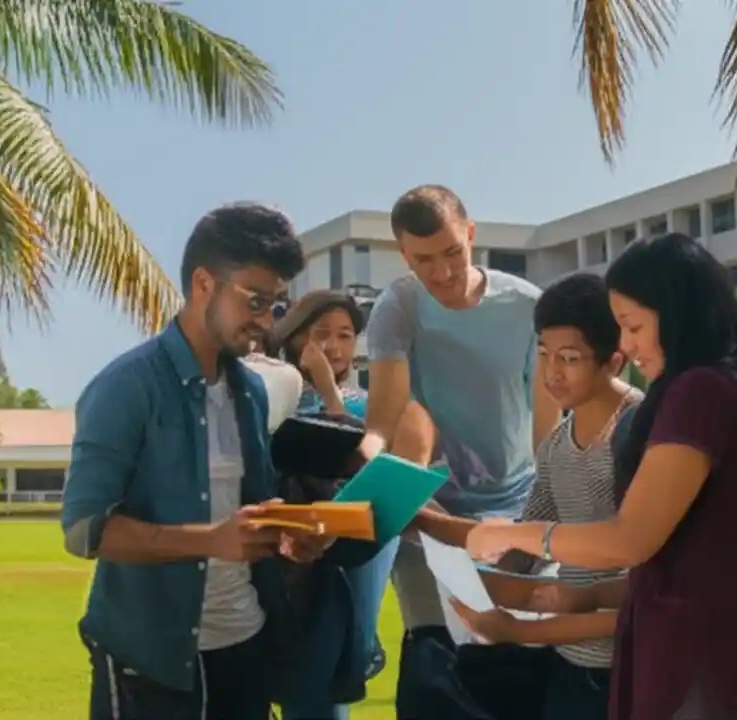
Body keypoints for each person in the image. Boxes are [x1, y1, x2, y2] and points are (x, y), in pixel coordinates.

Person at [464, 233, 737, 720]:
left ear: (675, 313)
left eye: (633, 326)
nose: (627, 345)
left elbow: (630, 540)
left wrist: (515, 535)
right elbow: (695, 562)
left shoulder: (701, 393)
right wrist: (589, 595)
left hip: (711, 672)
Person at [61, 202, 323, 720]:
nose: (264, 321)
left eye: (274, 304)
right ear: (204, 283)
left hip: (245, 648)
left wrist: (289, 535)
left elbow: (244, 512)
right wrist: (210, 540)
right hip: (151, 664)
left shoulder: (250, 391)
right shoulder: (126, 387)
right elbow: (82, 530)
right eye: (254, 299)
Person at [357, 184, 560, 715]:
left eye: (453, 253)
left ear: (471, 234)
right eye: (424, 260)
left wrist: (536, 521)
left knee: (515, 659)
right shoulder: (397, 307)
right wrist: (373, 465)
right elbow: (383, 418)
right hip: (430, 511)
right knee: (435, 658)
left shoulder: (528, 307)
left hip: (516, 504)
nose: (442, 273)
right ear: (404, 254)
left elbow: (547, 432)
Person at [411, 272, 642, 719]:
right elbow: (522, 550)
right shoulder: (556, 445)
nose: (552, 372)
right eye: (542, 354)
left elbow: (657, 576)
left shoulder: (644, 430)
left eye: (570, 357)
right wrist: (453, 555)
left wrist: (516, 627)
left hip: (636, 665)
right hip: (571, 662)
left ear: (614, 361)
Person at [266, 289, 431, 719]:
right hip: (286, 556)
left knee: (331, 668)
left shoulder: (372, 406)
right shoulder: (271, 395)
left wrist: (329, 394)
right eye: (321, 334)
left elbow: (363, 469)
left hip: (349, 554)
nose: (334, 347)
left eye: (345, 335)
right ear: (294, 337)